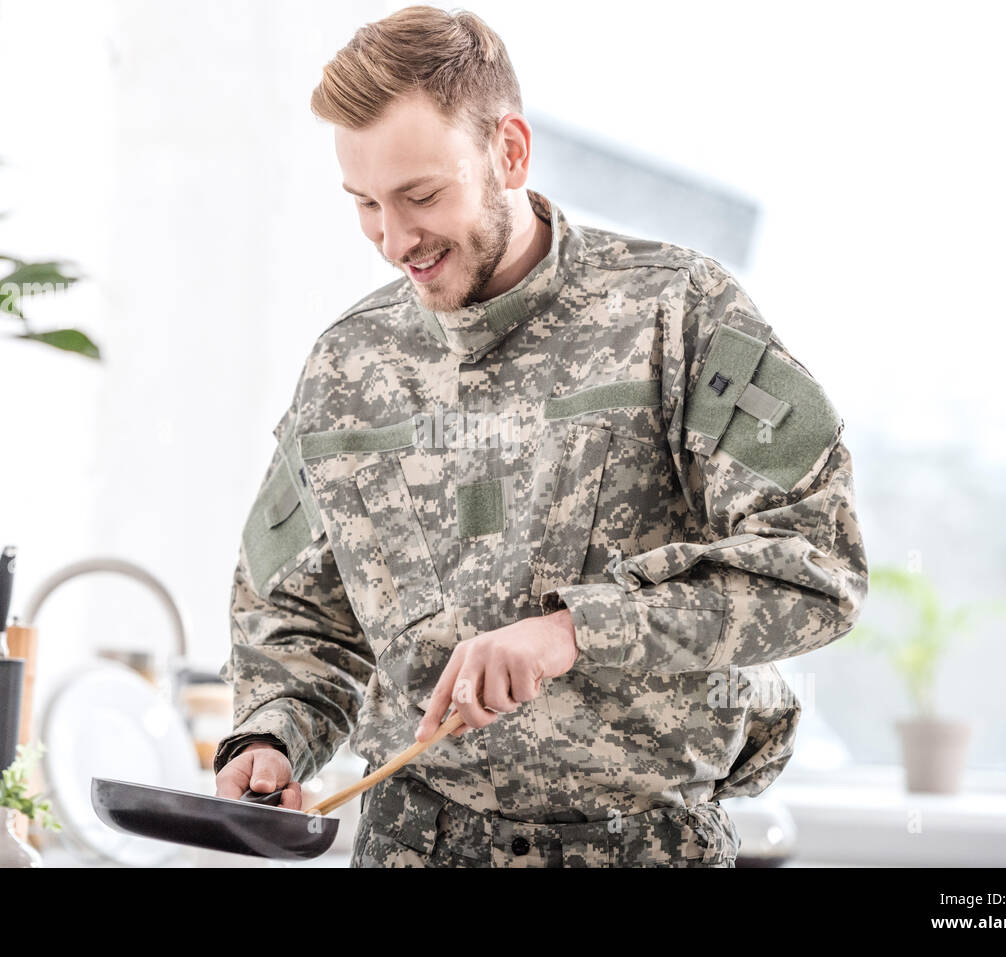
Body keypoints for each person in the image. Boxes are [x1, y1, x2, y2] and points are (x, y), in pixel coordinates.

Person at [213, 5, 867, 868]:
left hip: (645, 847)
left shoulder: (677, 312)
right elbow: (293, 614)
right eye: (365, 203)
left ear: (510, 152)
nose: (395, 239)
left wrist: (573, 630)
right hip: (412, 844)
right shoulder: (345, 367)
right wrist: (271, 737)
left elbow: (818, 565)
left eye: (420, 195)